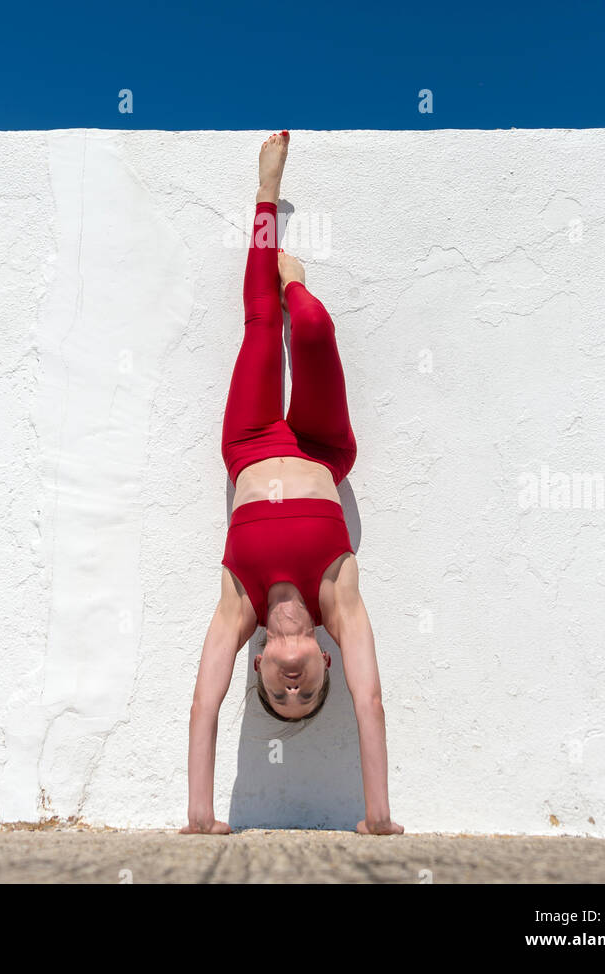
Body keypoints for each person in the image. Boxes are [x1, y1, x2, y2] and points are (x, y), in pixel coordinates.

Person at [182, 131, 403, 836]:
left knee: (259, 325)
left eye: (282, 694)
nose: (293, 685)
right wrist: (376, 817)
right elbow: (369, 702)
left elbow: (201, 706)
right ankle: (295, 277)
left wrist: (198, 815)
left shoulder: (235, 609)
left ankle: (264, 200)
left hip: (248, 447)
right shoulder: (338, 603)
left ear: (260, 662)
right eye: (307, 691)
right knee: (305, 323)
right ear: (321, 656)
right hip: (319, 446)